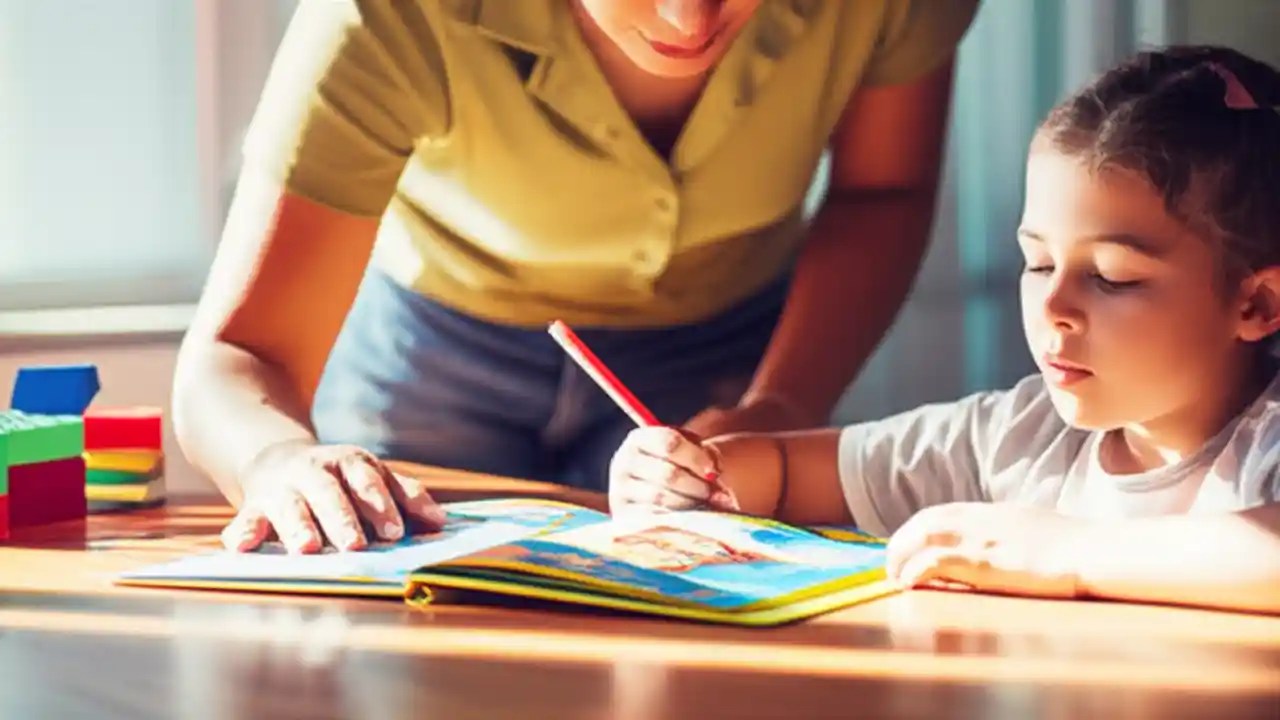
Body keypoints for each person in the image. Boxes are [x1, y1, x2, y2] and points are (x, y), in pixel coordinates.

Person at [175, 0, 980, 554]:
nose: (688, 21)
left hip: (730, 347)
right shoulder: (385, 14)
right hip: (430, 355)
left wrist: (783, 405)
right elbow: (238, 358)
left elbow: (883, 192)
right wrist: (275, 460)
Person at [610, 45, 1280, 615]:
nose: (1053, 305)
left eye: (1110, 276)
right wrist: (694, 473)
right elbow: (788, 473)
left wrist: (1059, 552)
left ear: (1257, 306)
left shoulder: (1266, 444)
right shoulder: (1018, 437)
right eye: (1038, 262)